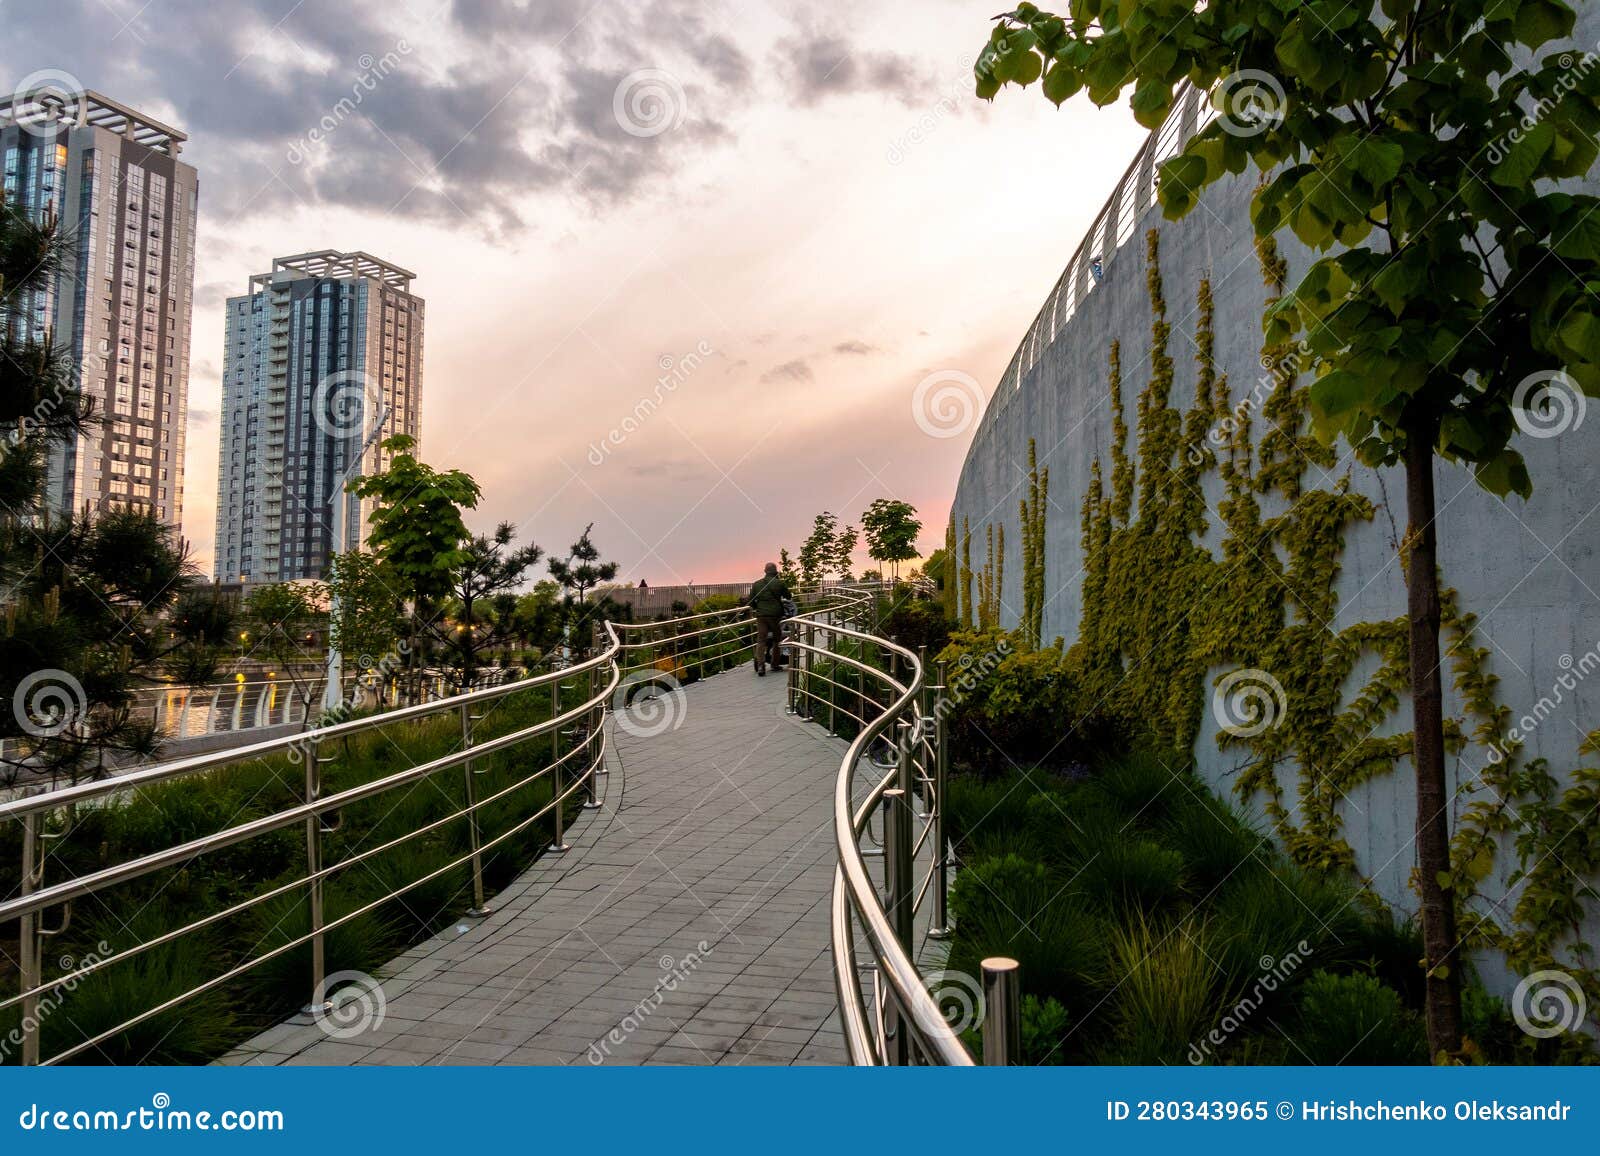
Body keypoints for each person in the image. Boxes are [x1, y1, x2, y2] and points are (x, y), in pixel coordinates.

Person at [746, 561, 791, 677]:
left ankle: (761, 666)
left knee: (761, 640)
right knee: (777, 639)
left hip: (761, 616)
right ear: (775, 572)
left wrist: (759, 608)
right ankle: (774, 664)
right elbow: (788, 596)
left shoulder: (756, 584)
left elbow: (750, 601)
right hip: (775, 615)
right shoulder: (779, 583)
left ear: (765, 571)